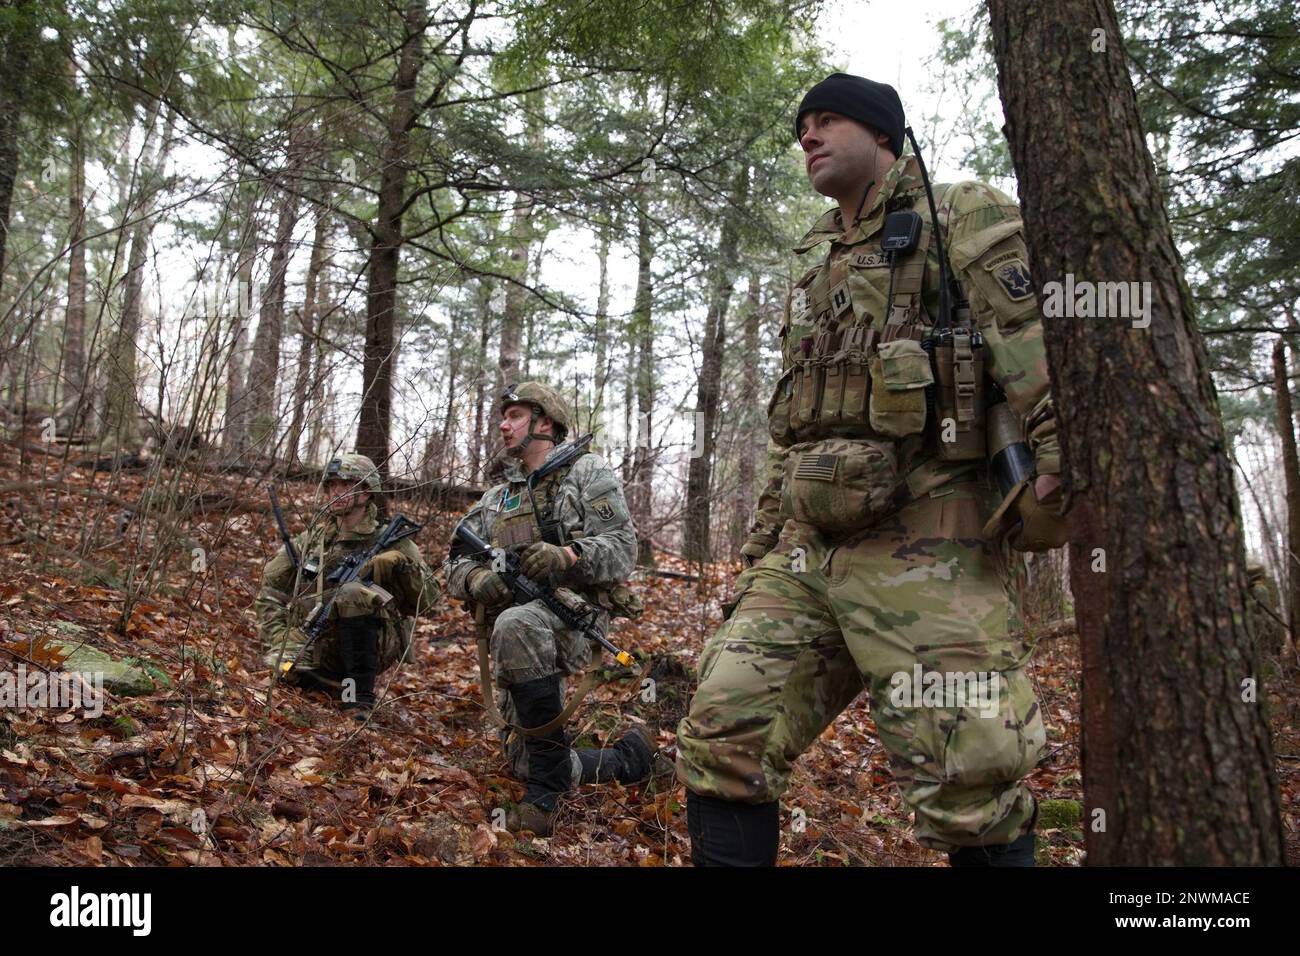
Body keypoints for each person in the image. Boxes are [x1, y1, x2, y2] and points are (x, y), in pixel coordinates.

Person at [675, 73, 1066, 866]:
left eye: (828, 121)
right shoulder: (815, 255)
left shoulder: (961, 213)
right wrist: (760, 547)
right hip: (807, 543)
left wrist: (1057, 457)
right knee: (725, 728)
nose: (809, 137)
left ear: (883, 134)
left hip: (931, 525)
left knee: (972, 767)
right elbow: (797, 421)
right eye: (801, 127)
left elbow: (1031, 341)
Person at [444, 382, 655, 835]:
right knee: (525, 759)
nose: (503, 424)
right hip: (522, 624)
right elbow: (454, 561)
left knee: (517, 624)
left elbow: (623, 548)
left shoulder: (587, 472)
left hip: (578, 617)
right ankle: (630, 759)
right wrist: (478, 580)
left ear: (544, 423)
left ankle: (546, 798)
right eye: (504, 415)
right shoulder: (500, 497)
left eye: (515, 415)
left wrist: (569, 555)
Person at [256, 453, 440, 721]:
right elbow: (270, 591)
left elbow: (428, 601)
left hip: (373, 645)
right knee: (279, 668)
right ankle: (319, 680)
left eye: (347, 486)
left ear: (366, 493)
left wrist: (401, 565)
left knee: (353, 593)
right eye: (332, 486)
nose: (337, 492)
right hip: (314, 640)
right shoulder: (314, 539)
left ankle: (358, 698)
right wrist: (281, 639)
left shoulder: (392, 541)